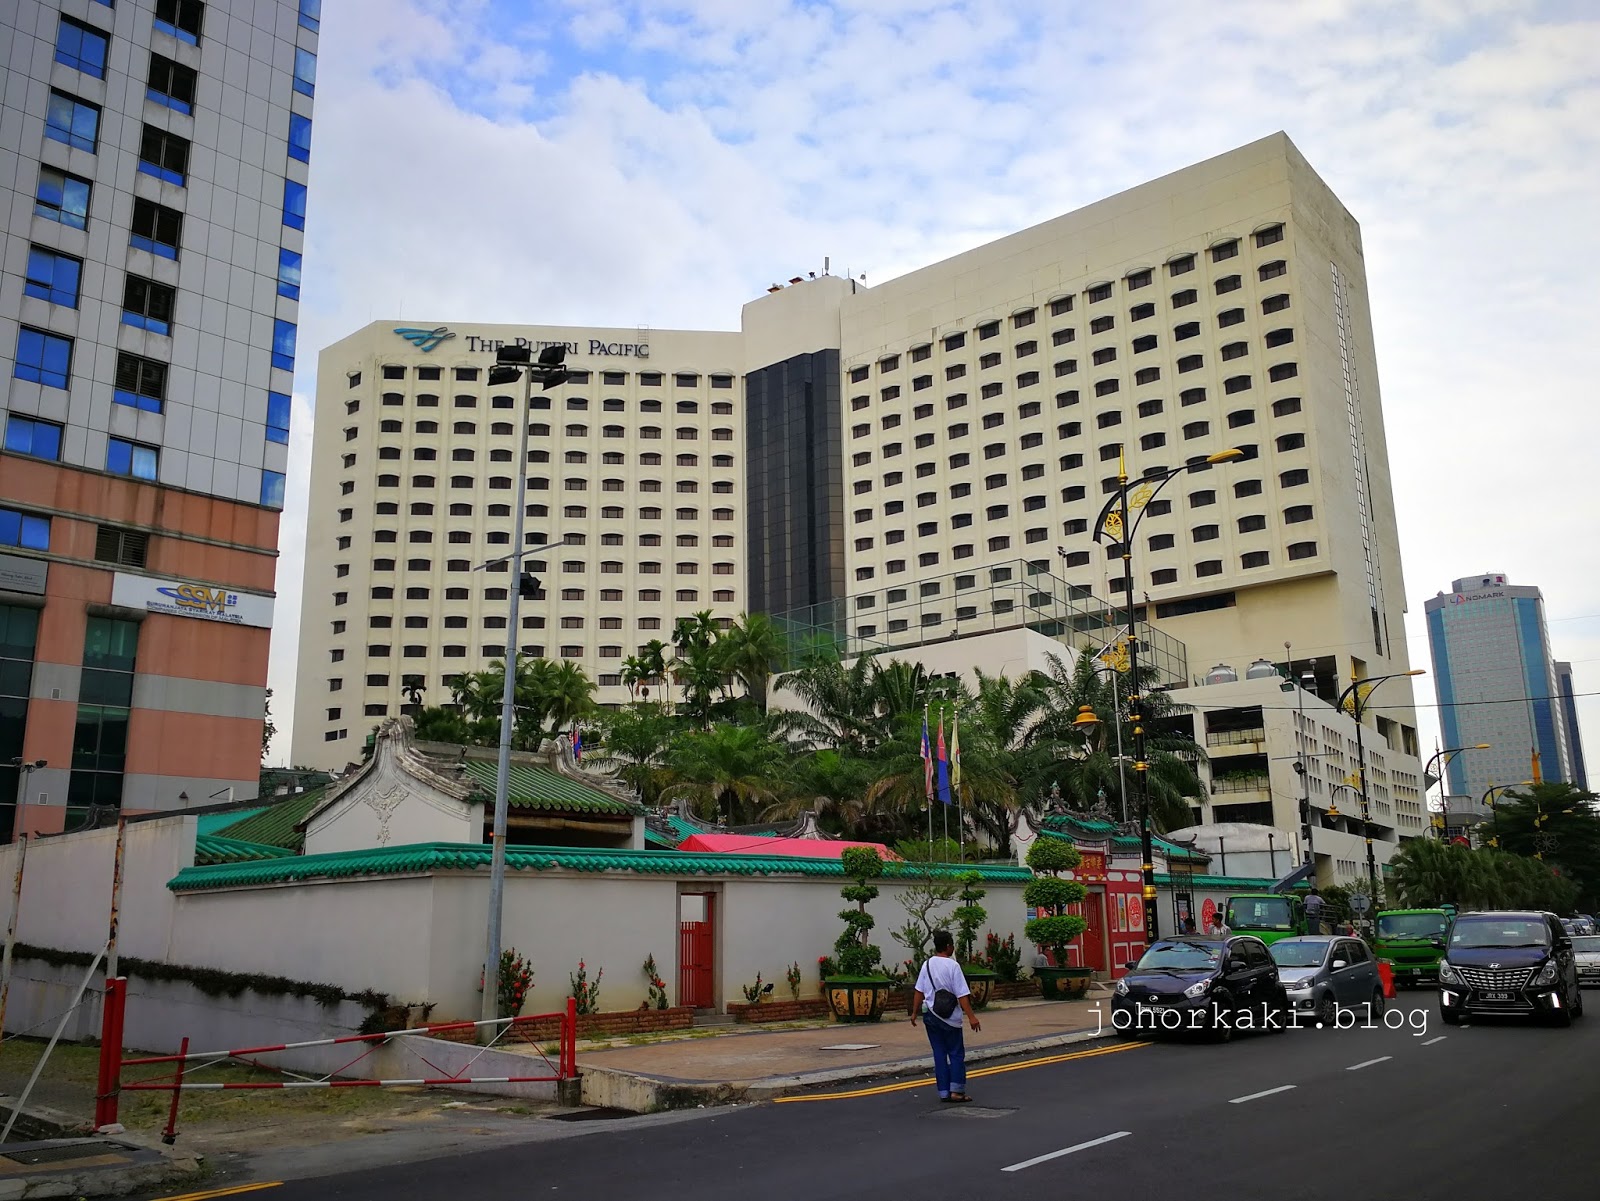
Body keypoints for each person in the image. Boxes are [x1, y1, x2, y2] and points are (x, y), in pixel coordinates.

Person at [910, 929, 981, 1103]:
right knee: (956, 1053)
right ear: (948, 947)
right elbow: (962, 995)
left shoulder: (927, 964)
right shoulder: (953, 966)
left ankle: (943, 1091)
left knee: (939, 1053)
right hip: (950, 1018)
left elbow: (919, 991)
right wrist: (972, 1017)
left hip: (930, 1015)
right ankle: (956, 1090)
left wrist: (913, 1012)